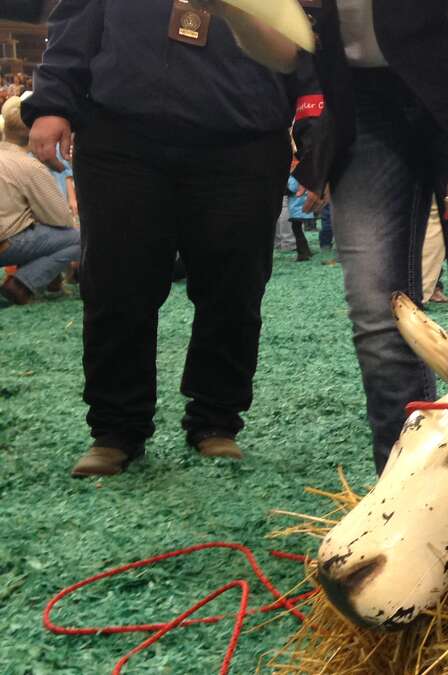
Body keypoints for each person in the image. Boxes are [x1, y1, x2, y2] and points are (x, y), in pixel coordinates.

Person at [222, 0, 448, 473]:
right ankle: (402, 482)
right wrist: (228, 8)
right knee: (379, 317)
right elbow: (289, 51)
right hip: (364, 103)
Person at [23, 1, 321, 476]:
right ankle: (116, 429)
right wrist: (53, 101)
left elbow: (301, 38)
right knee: (115, 286)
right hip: (121, 134)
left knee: (235, 288)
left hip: (244, 138)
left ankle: (216, 420)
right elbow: (75, 20)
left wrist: (315, 127)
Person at [0, 96, 77, 306]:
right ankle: (21, 284)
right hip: (6, 244)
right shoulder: (30, 166)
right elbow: (60, 220)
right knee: (78, 238)